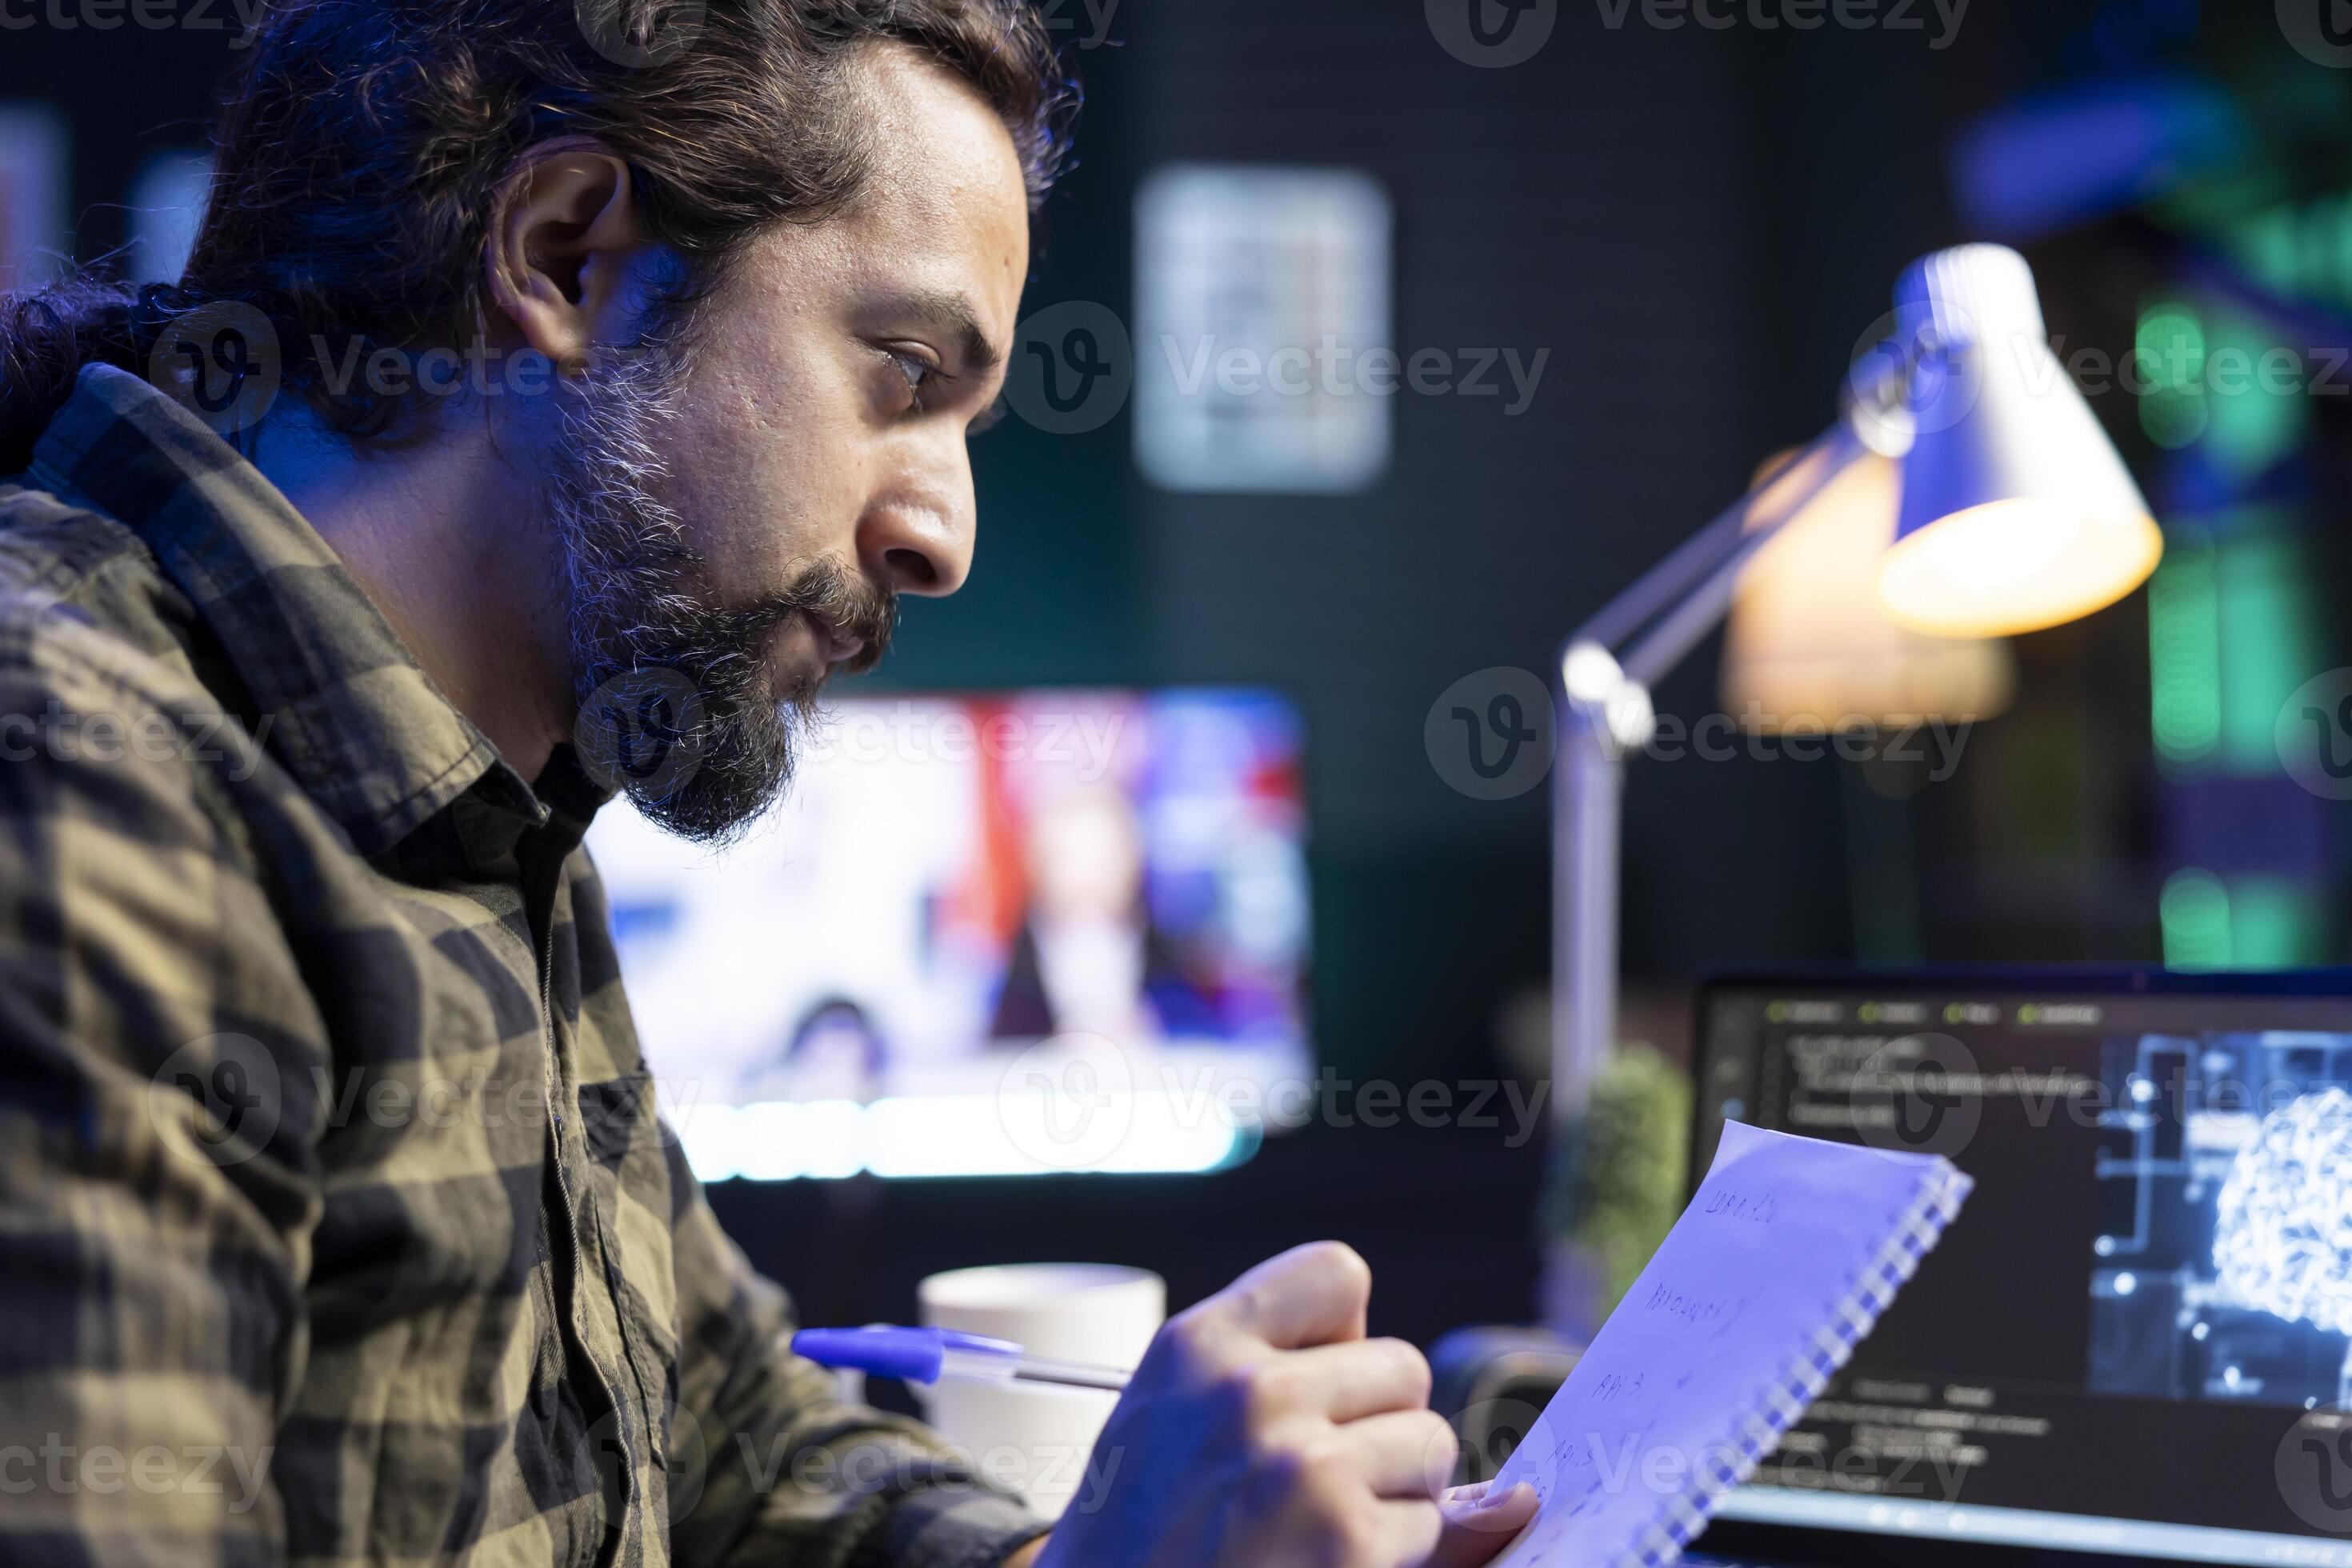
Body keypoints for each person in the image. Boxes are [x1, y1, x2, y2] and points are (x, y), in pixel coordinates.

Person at [0, 2, 1539, 1565]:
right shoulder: (78, 774)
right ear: (566, 254)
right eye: (904, 370)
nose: (946, 534)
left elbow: (732, 1436)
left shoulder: (487, 781)